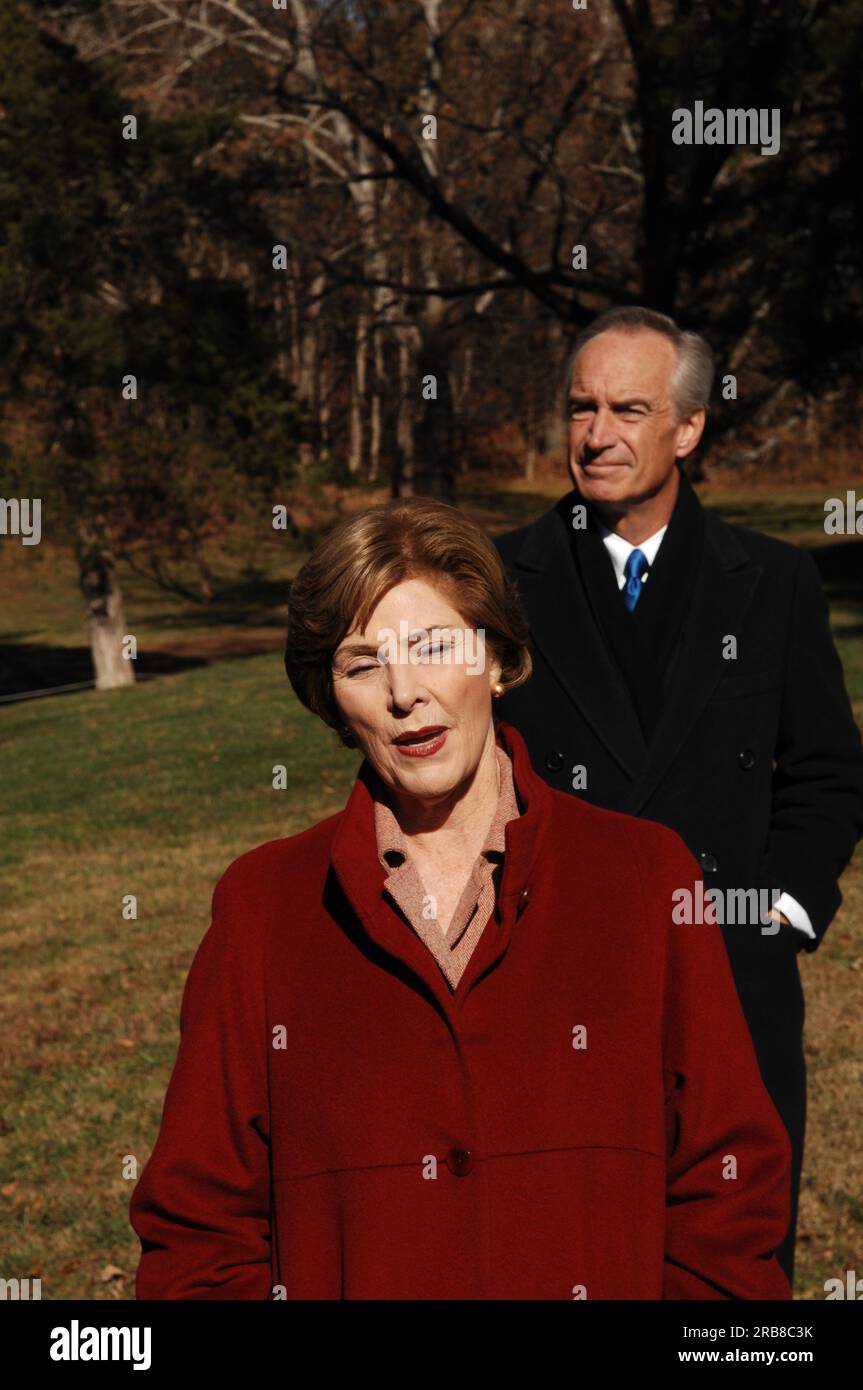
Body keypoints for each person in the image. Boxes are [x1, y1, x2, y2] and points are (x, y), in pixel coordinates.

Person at [130, 496, 792, 1299]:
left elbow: (728, 1184)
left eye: (433, 646)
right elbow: (199, 1227)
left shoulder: (646, 876)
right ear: (331, 700)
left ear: (500, 660)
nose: (403, 691)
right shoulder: (263, 907)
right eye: (362, 662)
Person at [493, 305, 863, 1287]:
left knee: (728, 1272)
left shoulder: (773, 583)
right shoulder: (492, 579)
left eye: (626, 408)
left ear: (687, 429)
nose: (596, 434)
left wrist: (772, 913)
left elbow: (826, 770)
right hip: (542, 992)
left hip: (728, 990)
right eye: (579, 408)